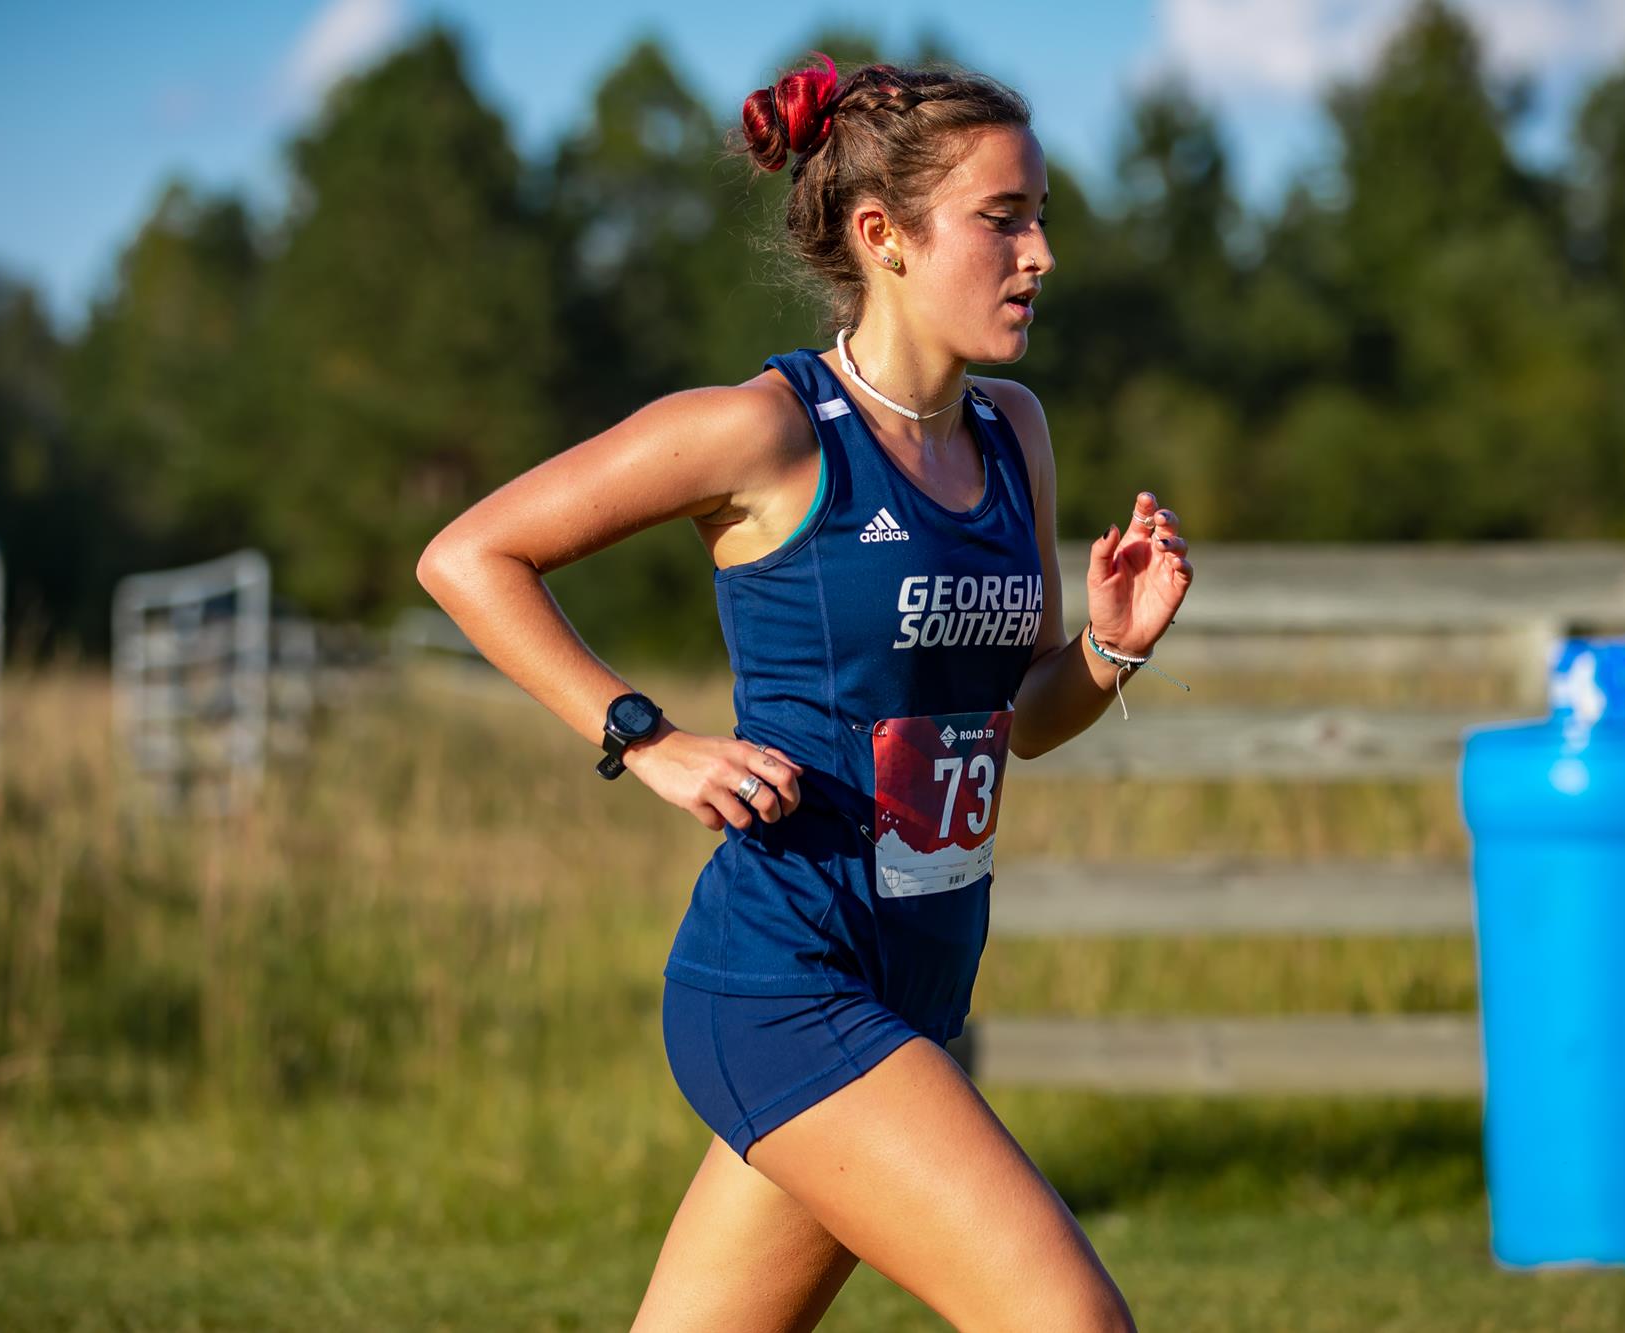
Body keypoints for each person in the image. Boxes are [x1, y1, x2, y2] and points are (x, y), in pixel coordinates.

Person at [416, 51, 1192, 1333]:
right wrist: (643, 737)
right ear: (884, 236)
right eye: (1002, 219)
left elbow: (1022, 721)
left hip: (916, 983)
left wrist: (1110, 648)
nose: (1041, 254)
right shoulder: (768, 431)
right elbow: (468, 557)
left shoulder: (1013, 433)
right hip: (784, 978)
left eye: (1041, 216)